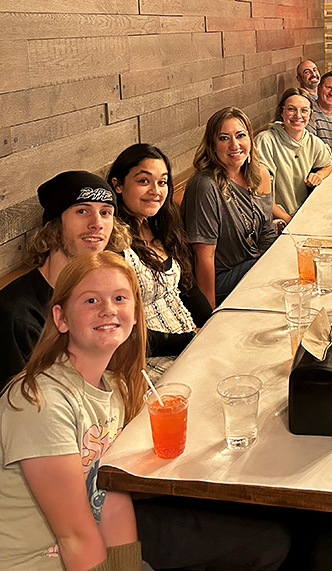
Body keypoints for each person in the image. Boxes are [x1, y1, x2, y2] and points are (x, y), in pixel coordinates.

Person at [0, 251, 291, 571]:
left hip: (90, 552)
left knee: (267, 541)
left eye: (120, 298)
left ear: (136, 315)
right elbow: (75, 536)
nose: (108, 308)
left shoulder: (114, 388)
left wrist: (130, 569)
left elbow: (111, 498)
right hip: (36, 565)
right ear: (61, 317)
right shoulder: (40, 402)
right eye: (91, 300)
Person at [0, 171, 129, 392]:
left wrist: (186, 338)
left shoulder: (96, 289)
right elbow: (20, 406)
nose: (97, 223)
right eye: (82, 211)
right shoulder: (17, 314)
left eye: (105, 212)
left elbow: (131, 334)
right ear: (55, 225)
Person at [108, 144, 211, 379]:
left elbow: (187, 287)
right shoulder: (114, 244)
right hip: (147, 361)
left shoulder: (162, 226)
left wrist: (213, 325)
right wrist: (190, 339)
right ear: (118, 185)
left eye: (162, 182)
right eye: (144, 181)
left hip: (186, 344)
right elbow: (124, 332)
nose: (156, 191)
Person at [182, 108, 277, 309]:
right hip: (218, 281)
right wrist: (209, 314)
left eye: (240, 135)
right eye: (224, 138)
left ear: (250, 139)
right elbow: (203, 257)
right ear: (212, 146)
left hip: (250, 268)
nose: (234, 145)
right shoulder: (205, 185)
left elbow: (266, 235)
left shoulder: (260, 175)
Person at [255, 89, 332, 225]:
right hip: (273, 220)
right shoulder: (265, 141)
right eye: (291, 109)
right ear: (281, 112)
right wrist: (289, 220)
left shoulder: (312, 141)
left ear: (310, 114)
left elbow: (329, 163)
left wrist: (320, 174)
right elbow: (260, 196)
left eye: (304, 110)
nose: (298, 116)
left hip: (302, 214)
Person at [307, 71, 332, 164]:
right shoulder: (309, 113)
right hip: (317, 171)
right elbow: (314, 152)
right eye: (328, 87)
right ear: (319, 89)